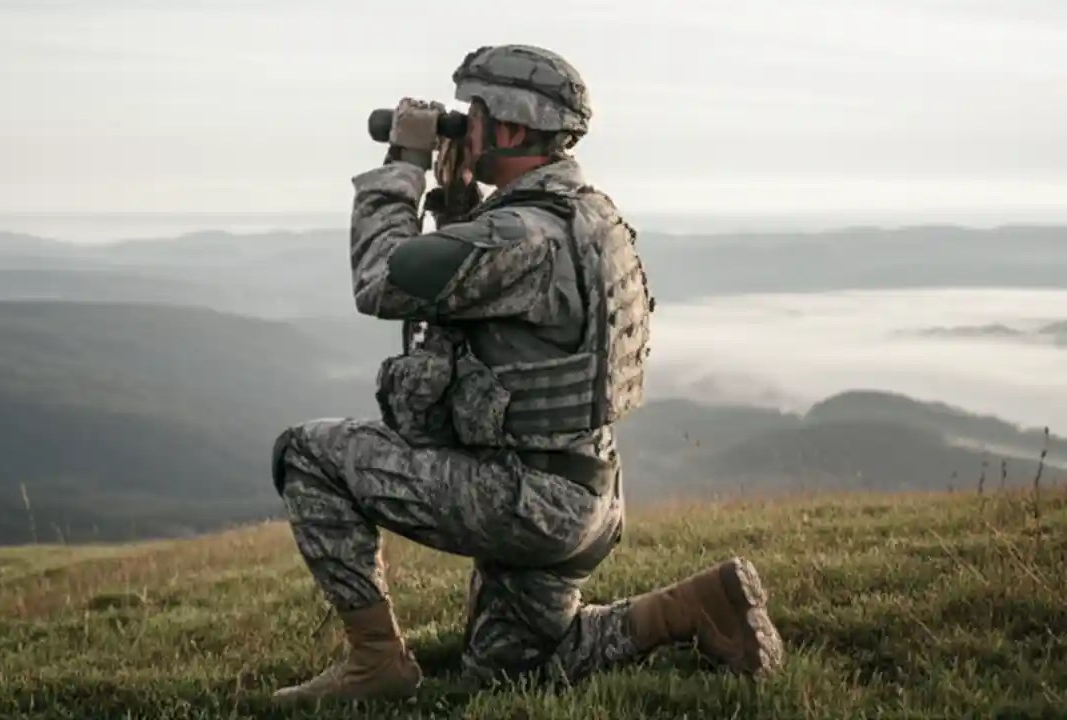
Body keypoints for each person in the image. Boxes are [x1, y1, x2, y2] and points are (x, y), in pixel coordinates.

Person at [269, 44, 783, 705]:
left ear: (510, 128)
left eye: (473, 115)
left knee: (308, 453)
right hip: (585, 495)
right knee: (513, 671)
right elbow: (473, 294)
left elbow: (379, 280)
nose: (465, 126)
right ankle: (690, 609)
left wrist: (403, 163)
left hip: (524, 502)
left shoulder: (520, 235)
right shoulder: (586, 215)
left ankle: (376, 665)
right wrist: (455, 198)